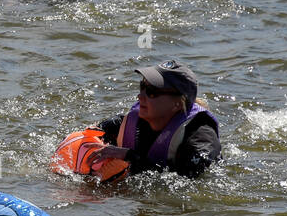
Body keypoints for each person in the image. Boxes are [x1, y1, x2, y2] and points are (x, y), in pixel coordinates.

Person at [90, 60, 220, 178]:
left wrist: (129, 156)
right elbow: (93, 134)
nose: (140, 96)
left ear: (178, 103)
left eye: (152, 91)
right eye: (142, 86)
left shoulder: (201, 136)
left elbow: (187, 177)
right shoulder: (131, 122)